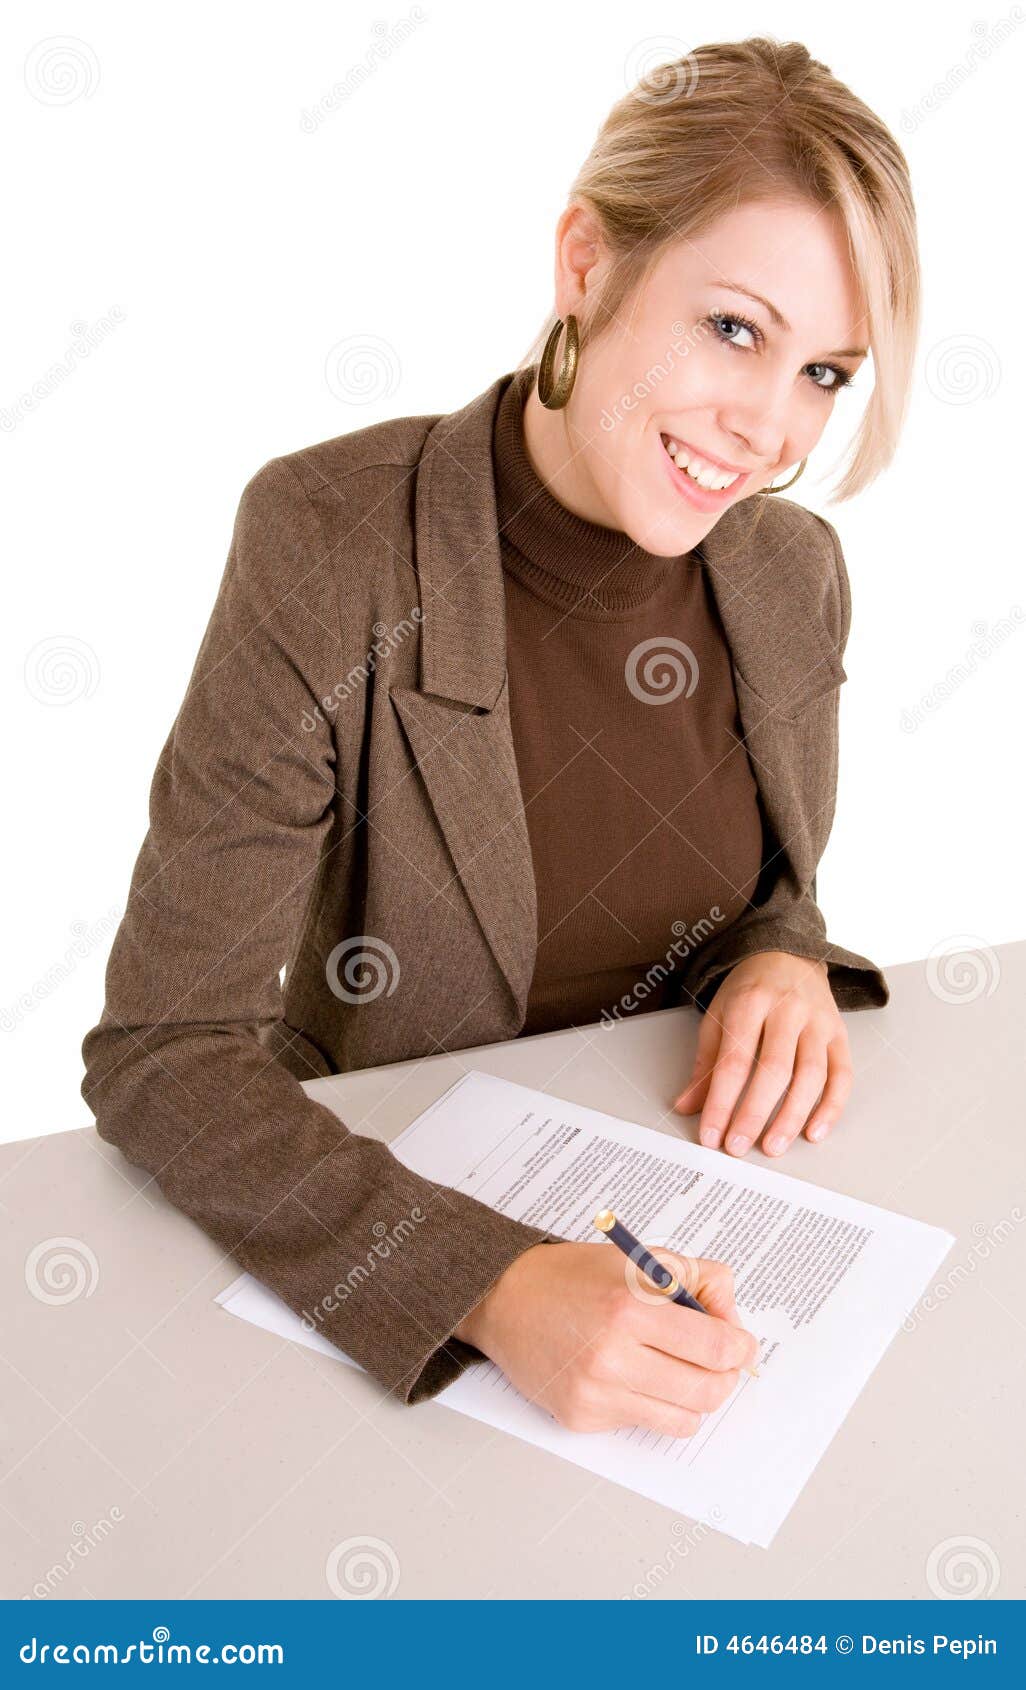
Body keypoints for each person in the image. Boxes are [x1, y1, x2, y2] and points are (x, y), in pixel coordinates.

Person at [81, 37, 916, 1439]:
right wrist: (485, 1283)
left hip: (694, 1238)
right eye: (732, 329)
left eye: (825, 370)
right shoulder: (329, 538)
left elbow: (768, 889)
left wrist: (778, 954)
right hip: (396, 1266)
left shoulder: (791, 573)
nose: (769, 429)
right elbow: (166, 1049)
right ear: (585, 263)